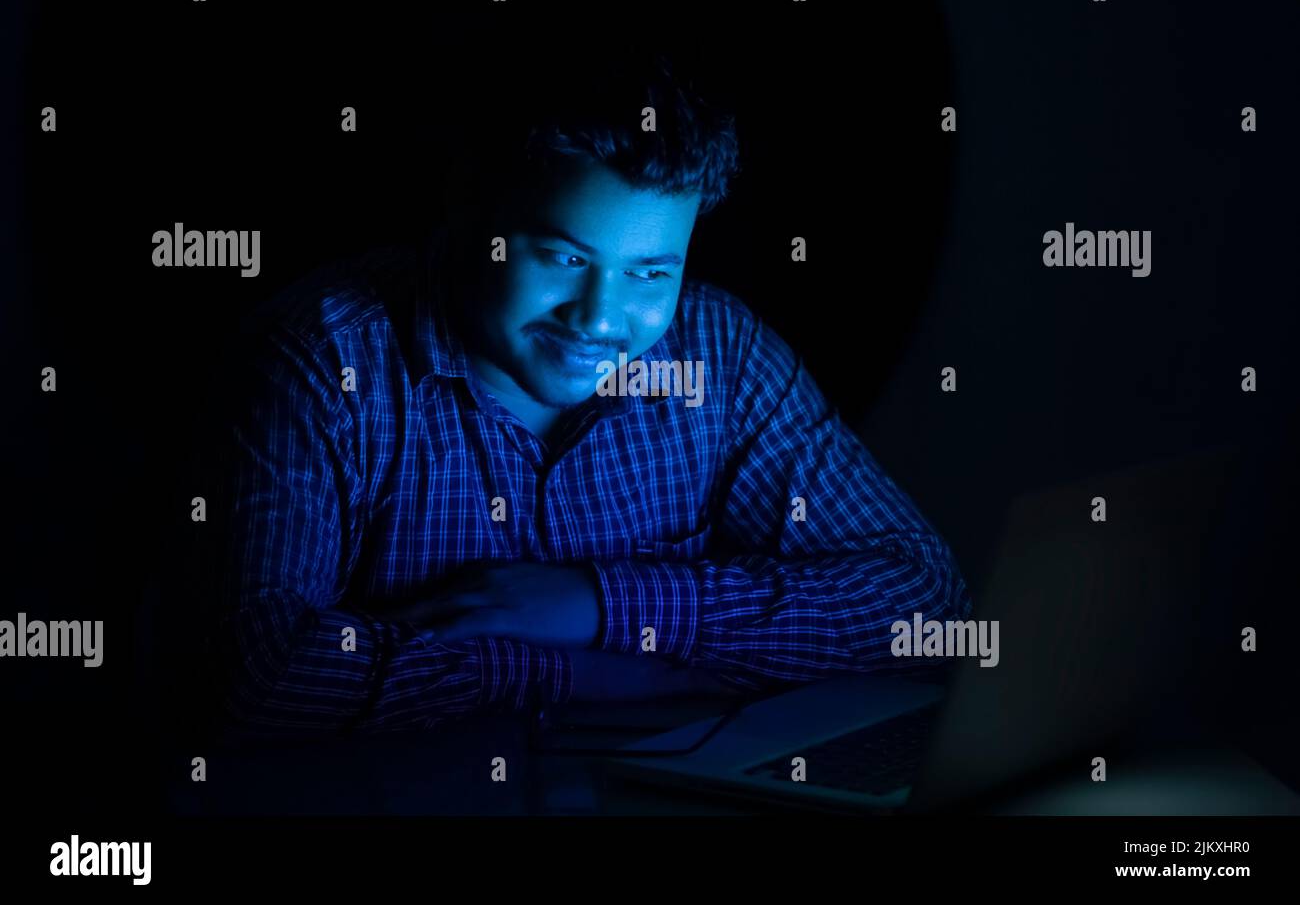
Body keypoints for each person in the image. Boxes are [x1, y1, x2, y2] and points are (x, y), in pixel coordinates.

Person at [210, 46, 970, 733]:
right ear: (469, 208)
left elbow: (924, 601)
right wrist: (580, 675)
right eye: (563, 259)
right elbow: (246, 673)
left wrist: (601, 602)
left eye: (649, 273)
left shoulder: (723, 352)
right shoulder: (321, 359)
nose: (601, 318)